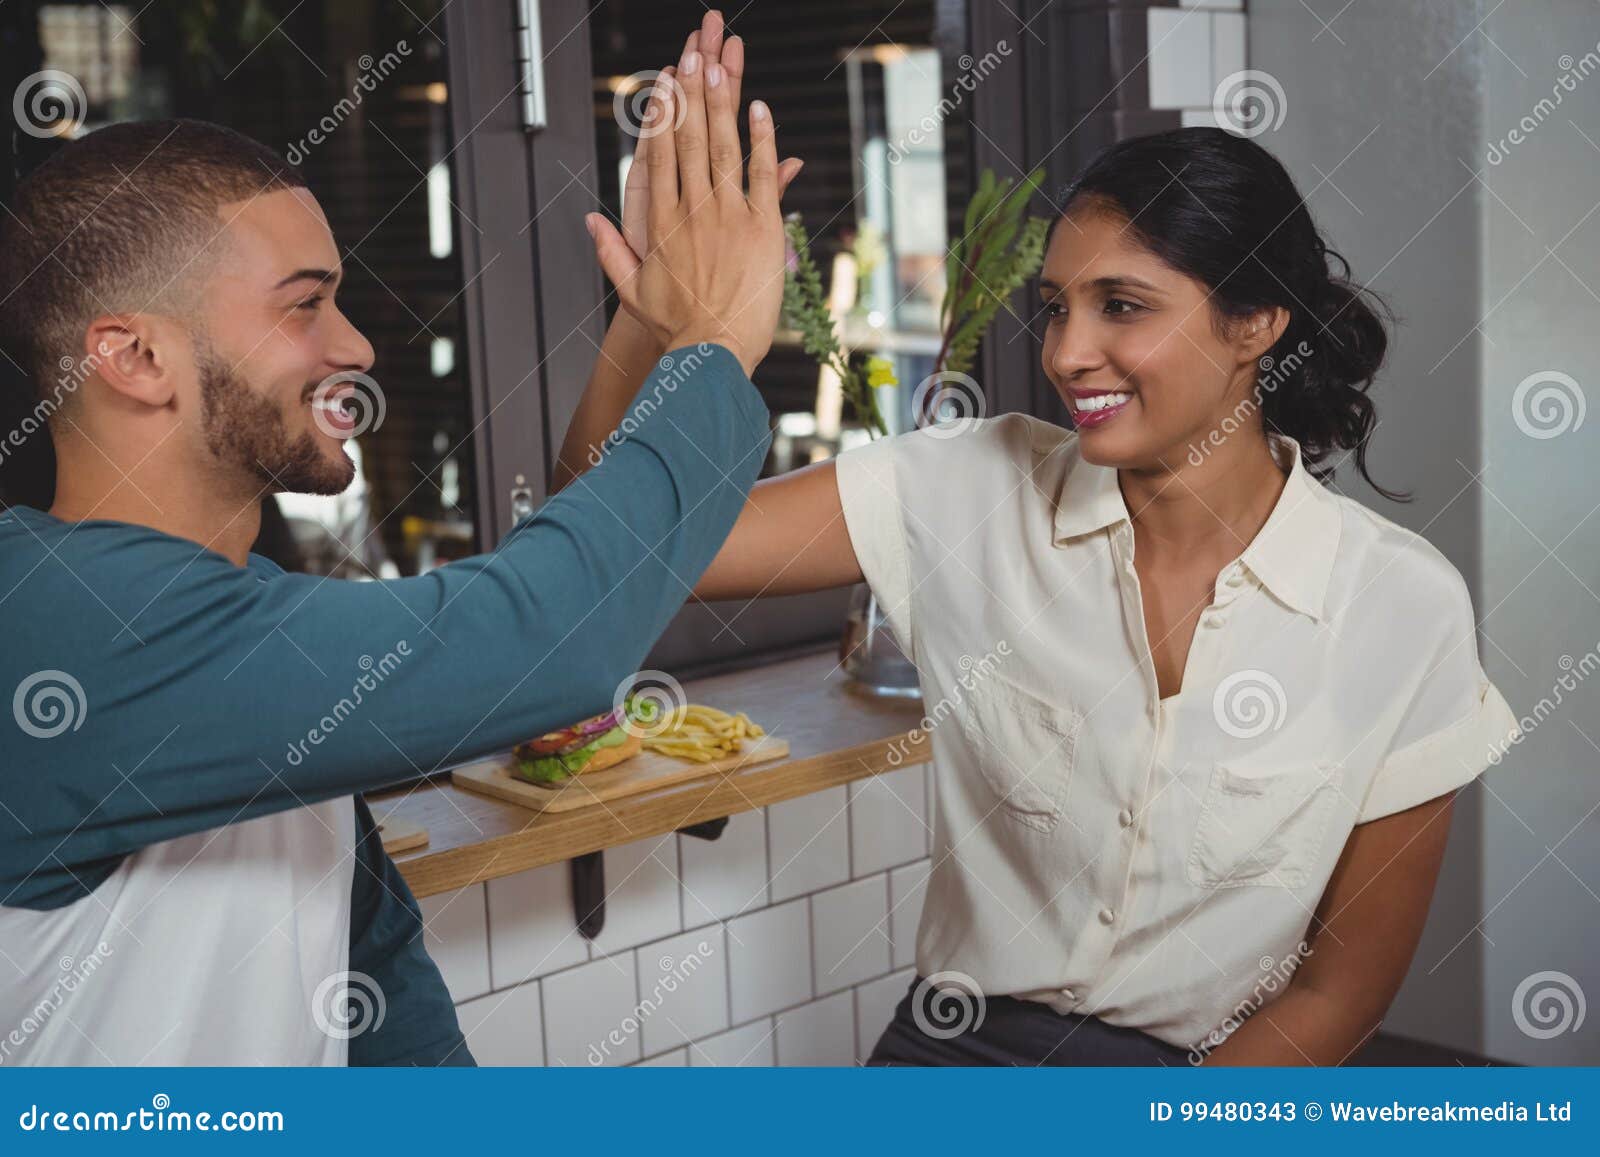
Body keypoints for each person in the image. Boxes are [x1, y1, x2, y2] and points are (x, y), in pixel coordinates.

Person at [565, 126, 1522, 1066]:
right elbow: (615, 549)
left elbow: (1336, 997)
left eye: (1122, 305)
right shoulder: (965, 487)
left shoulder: (1402, 608)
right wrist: (651, 327)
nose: (1067, 351)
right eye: (1058, 305)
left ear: (1256, 323)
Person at [0, 16, 788, 1066]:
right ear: (135, 355)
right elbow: (541, 643)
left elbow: (377, 991)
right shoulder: (56, 623)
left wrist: (646, 332)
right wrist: (716, 341)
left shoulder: (235, 621)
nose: (356, 346)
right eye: (305, 305)